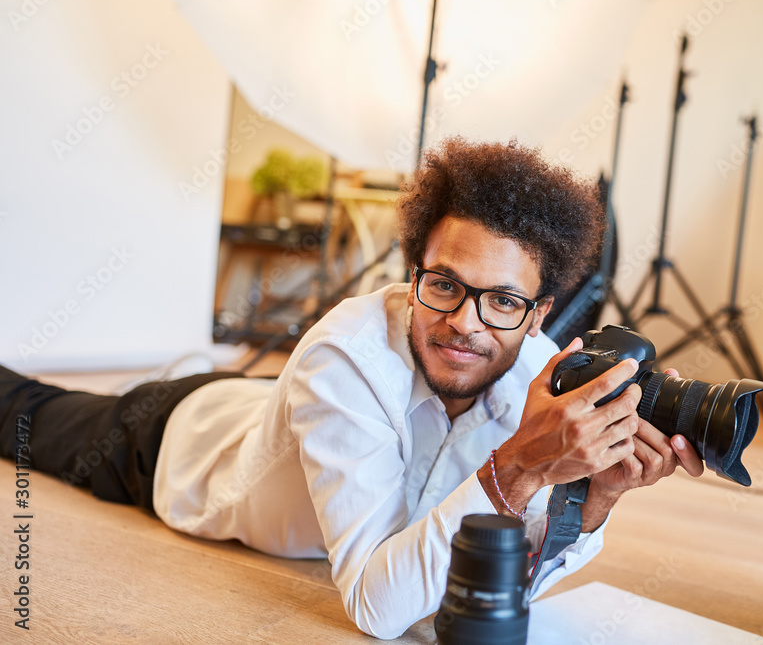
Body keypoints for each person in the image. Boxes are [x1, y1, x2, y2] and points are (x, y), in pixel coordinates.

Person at [0, 137, 703, 639]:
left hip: (282, 415)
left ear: (542, 312)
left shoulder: (545, 377)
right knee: (28, 411)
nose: (465, 322)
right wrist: (520, 464)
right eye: (445, 285)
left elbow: (478, 590)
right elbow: (377, 604)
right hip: (171, 440)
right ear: (412, 270)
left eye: (502, 302)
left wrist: (595, 498)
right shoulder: (347, 350)